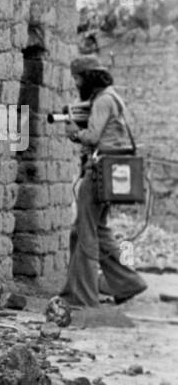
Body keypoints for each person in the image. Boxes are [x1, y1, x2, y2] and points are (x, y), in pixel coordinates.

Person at [55, 54, 147, 311]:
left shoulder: (102, 101)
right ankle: (127, 283)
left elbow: (93, 136)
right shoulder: (111, 96)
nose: (75, 82)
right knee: (99, 230)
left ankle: (82, 296)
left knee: (84, 232)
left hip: (98, 172)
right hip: (111, 171)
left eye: (77, 77)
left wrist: (74, 132)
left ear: (88, 77)